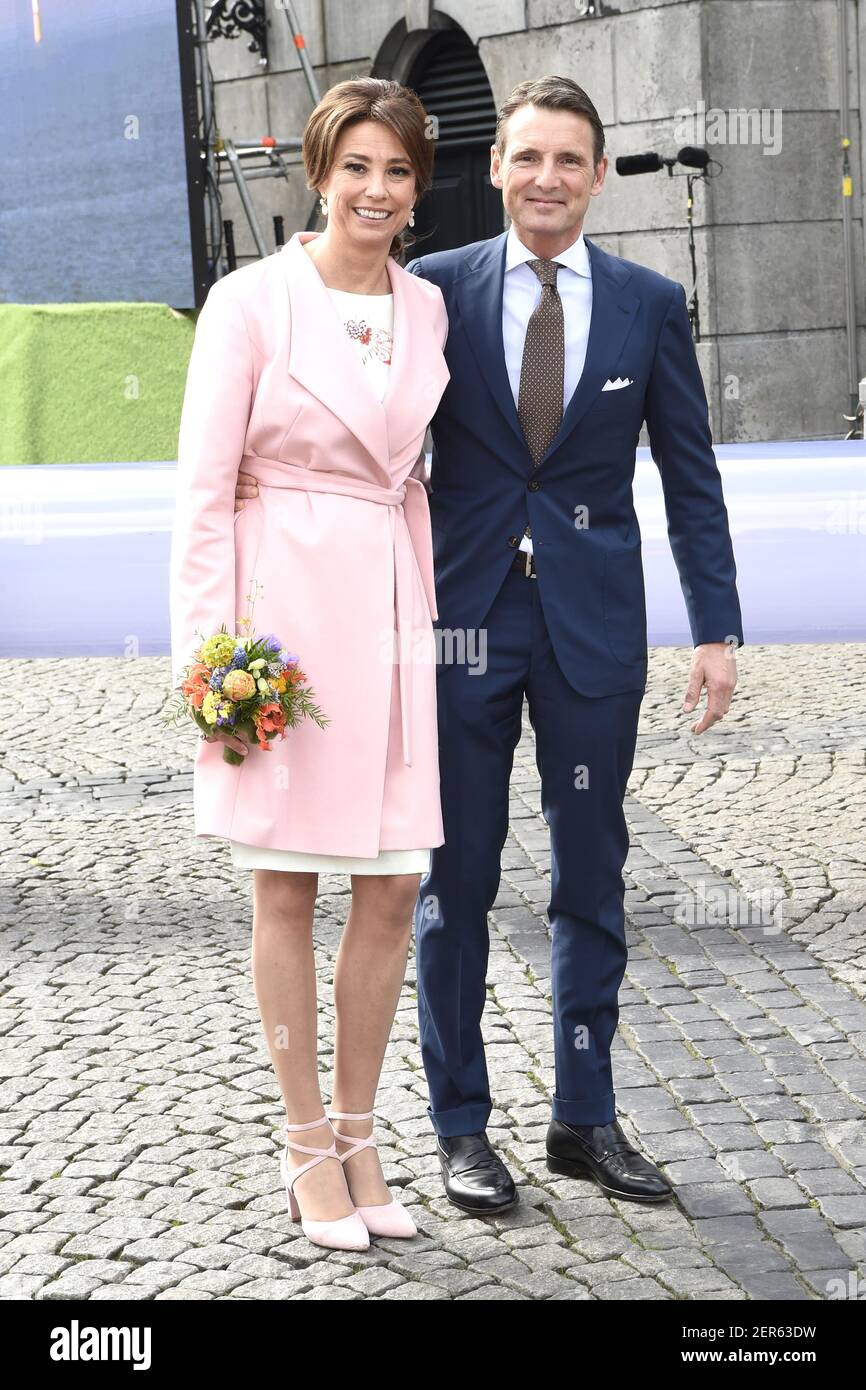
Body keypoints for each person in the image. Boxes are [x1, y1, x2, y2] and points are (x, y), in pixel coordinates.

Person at [235, 74, 744, 1217]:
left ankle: (582, 1116)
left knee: (591, 878)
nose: (545, 179)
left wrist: (713, 624)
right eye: (525, 158)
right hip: (453, 625)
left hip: (591, 630)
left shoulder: (649, 304)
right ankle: (458, 1127)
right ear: (497, 168)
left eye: (569, 159)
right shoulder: (432, 296)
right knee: (448, 883)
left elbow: (689, 479)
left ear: (598, 175)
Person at [169, 77, 450, 1251]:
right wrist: (214, 669)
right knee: (284, 886)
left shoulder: (426, 307)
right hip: (279, 629)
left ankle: (360, 1127)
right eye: (357, 168)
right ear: (318, 175)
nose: (375, 191)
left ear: (416, 189)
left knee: (393, 884)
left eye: (396, 172)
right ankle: (301, 1145)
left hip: (390, 605)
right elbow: (197, 495)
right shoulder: (248, 302)